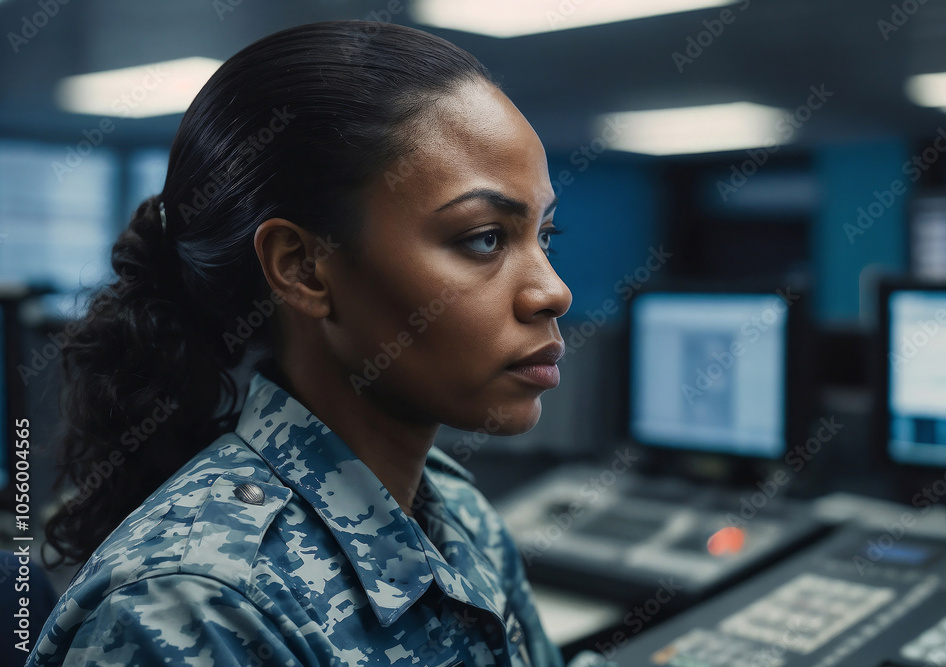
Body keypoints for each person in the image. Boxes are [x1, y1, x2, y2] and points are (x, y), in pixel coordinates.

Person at [27, 19, 613, 667]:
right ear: (304, 267)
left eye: (544, 235)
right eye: (484, 237)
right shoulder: (192, 609)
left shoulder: (458, 512)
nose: (553, 292)